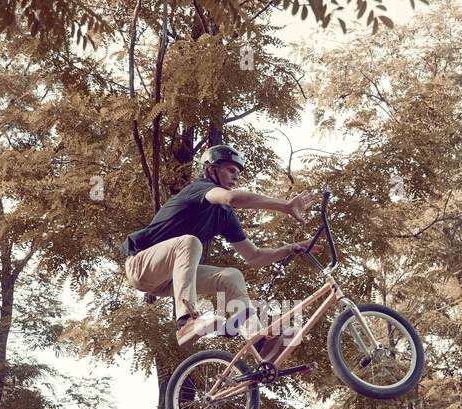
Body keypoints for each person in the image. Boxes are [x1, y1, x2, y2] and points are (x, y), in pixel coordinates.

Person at [120, 143, 323, 360]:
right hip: (141, 266)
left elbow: (253, 257)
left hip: (168, 280)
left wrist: (290, 249)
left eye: (238, 173)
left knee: (231, 275)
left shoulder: (224, 215)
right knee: (189, 243)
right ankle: (187, 322)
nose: (235, 177)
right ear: (210, 169)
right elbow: (232, 198)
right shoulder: (199, 189)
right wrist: (285, 206)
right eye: (230, 170)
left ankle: (257, 341)